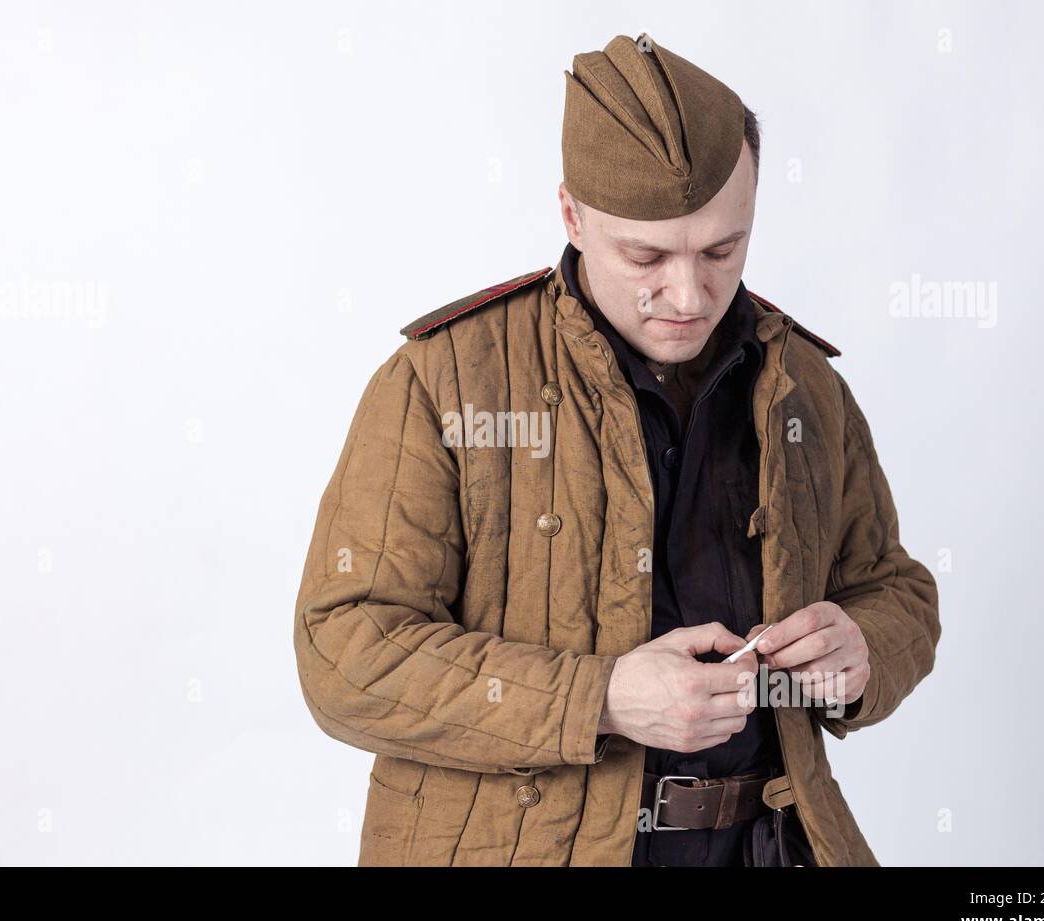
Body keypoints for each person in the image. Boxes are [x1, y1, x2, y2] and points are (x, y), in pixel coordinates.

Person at [293, 31, 941, 866]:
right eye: (646, 255)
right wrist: (599, 699)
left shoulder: (805, 383)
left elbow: (895, 589)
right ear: (571, 215)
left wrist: (860, 650)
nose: (689, 293)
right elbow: (344, 653)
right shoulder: (445, 380)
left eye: (722, 249)